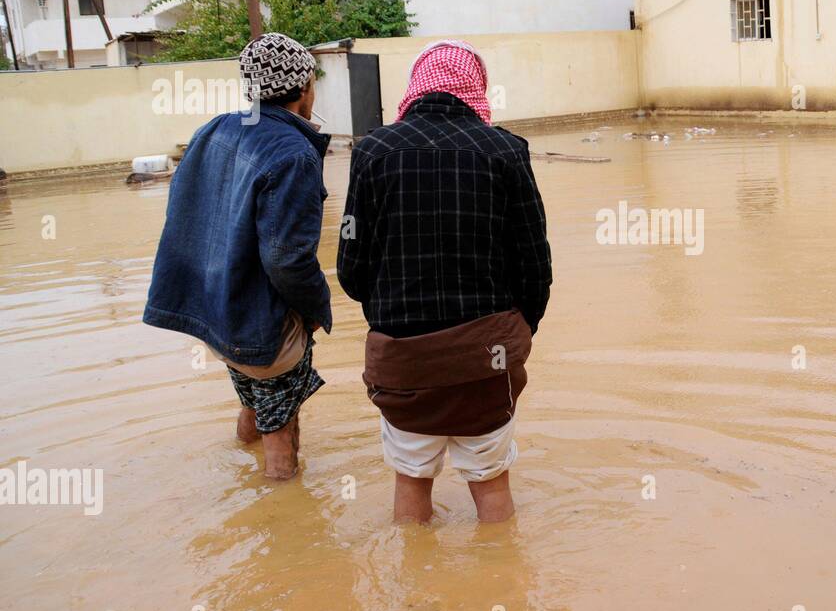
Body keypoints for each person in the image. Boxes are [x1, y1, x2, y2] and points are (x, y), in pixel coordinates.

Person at [337, 40, 551, 524]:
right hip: (486, 359)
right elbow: (535, 267)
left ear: (416, 86)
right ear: (475, 86)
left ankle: (414, 595)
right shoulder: (507, 151)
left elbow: (351, 269)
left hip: (402, 362)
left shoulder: (371, 152)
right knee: (490, 480)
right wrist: (512, 336)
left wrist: (395, 318)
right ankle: (502, 586)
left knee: (411, 478)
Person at [144, 33, 332, 480]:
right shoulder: (293, 153)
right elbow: (288, 259)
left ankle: (240, 477)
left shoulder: (214, 129)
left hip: (217, 311)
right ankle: (283, 521)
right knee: (281, 434)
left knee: (254, 401)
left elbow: (187, 211)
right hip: (261, 319)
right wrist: (314, 309)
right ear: (305, 87)